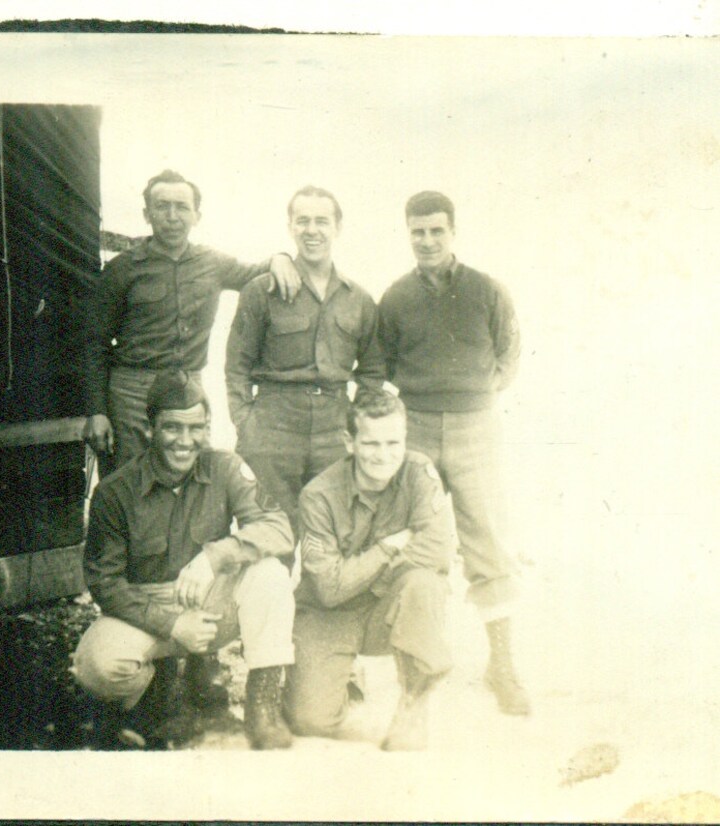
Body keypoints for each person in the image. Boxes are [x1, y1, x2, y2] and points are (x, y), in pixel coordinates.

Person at [72, 370, 296, 750]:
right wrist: (173, 624)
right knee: (95, 666)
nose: (185, 441)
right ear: (149, 428)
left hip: (210, 602)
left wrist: (217, 554)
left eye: (197, 428)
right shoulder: (115, 492)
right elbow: (105, 585)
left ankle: (263, 705)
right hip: (146, 608)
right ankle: (150, 693)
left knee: (270, 575)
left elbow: (278, 528)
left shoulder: (224, 468)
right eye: (172, 428)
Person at [377, 190, 528, 715]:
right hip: (415, 424)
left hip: (475, 427)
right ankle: (419, 663)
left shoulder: (487, 290)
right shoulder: (395, 298)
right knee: (419, 539)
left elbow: (510, 354)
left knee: (486, 541)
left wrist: (476, 395)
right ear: (408, 234)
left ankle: (502, 665)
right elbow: (383, 363)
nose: (427, 241)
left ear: (453, 232)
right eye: (417, 232)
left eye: (436, 231)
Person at [84, 169, 302, 478]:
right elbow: (94, 343)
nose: (172, 216)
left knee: (191, 483)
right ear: (147, 214)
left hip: (187, 390)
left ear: (196, 215)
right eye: (162, 206)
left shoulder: (212, 263)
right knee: (129, 485)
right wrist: (97, 412)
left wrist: (281, 257)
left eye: (182, 207)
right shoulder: (122, 269)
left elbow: (255, 273)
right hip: (132, 394)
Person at [284, 387, 454, 750]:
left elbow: (440, 549)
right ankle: (340, 675)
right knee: (308, 721)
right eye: (371, 444)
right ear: (350, 442)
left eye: (394, 443)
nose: (384, 455)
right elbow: (328, 589)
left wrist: (368, 579)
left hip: (386, 608)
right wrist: (389, 546)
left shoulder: (420, 473)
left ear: (405, 439)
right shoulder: (318, 495)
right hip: (331, 613)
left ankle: (413, 702)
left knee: (423, 585)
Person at [225, 185, 384, 537]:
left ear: (337, 227)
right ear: (290, 226)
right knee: (270, 535)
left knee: (332, 535)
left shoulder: (358, 299)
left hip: (333, 429)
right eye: (303, 221)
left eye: (322, 221)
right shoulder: (260, 291)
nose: (312, 230)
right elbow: (236, 365)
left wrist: (355, 423)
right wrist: (245, 422)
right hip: (272, 429)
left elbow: (372, 371)